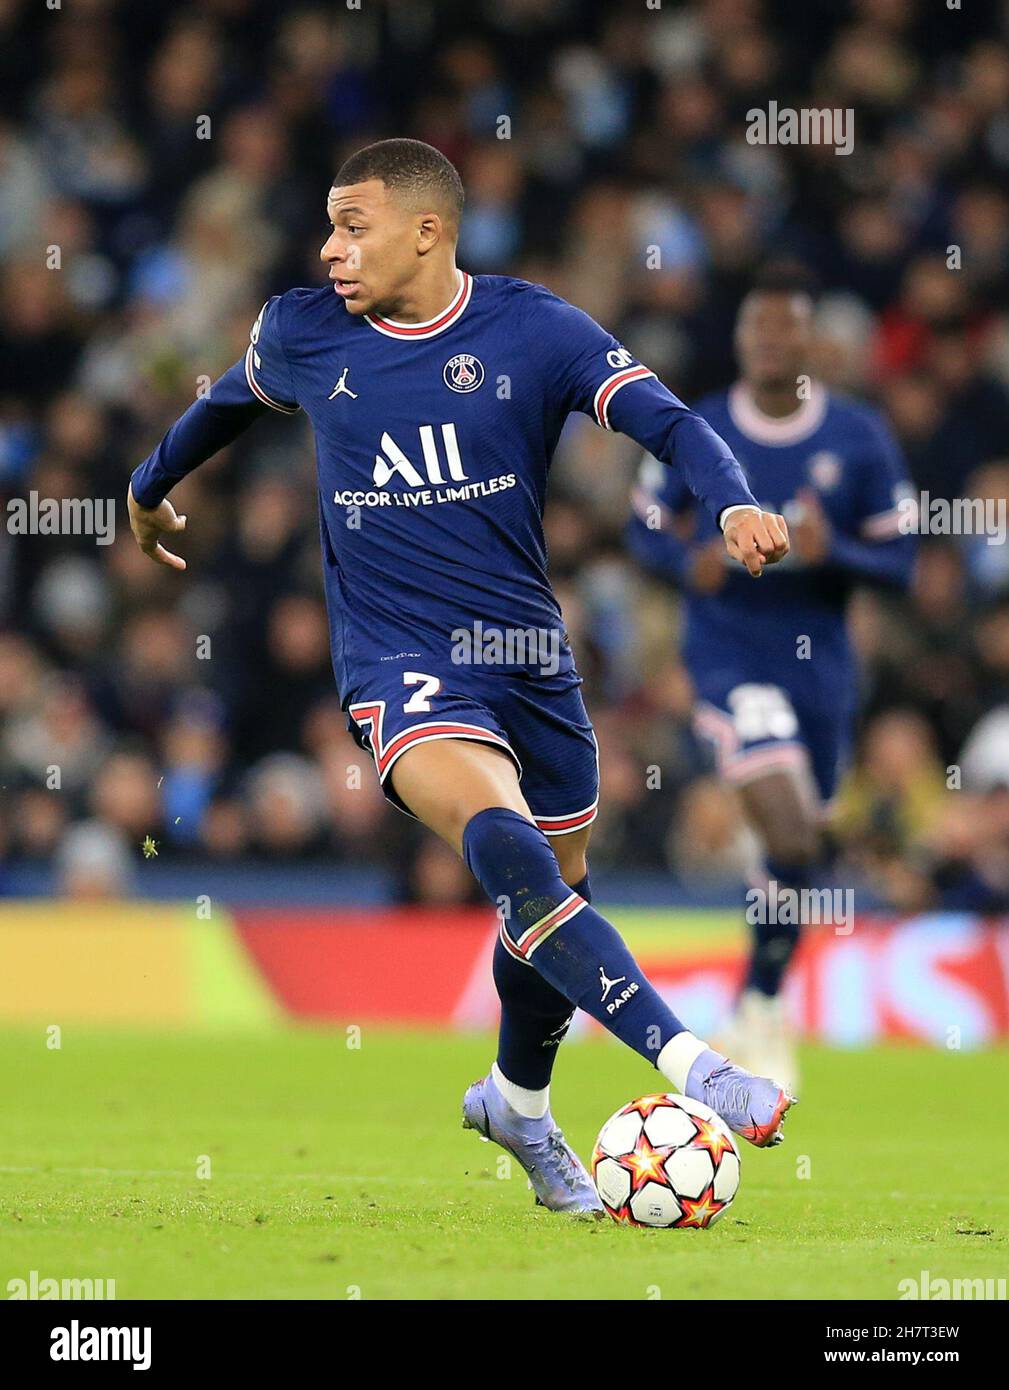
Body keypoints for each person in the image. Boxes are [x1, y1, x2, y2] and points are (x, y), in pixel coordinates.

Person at [129, 139, 792, 1217]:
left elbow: (663, 417)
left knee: (550, 897)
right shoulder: (301, 330)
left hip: (530, 664)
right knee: (502, 842)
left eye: (355, 227)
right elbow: (227, 405)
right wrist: (148, 485)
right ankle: (694, 1065)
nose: (330, 250)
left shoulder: (534, 330)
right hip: (398, 664)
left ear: (429, 230)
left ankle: (518, 1104)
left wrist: (729, 498)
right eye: (331, 226)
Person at [628, 273, 916, 1090]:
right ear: (742, 340)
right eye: (754, 331)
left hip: (821, 672)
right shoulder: (701, 427)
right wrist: (688, 564)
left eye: (783, 332)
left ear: (808, 345)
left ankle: (757, 1004)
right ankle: (760, 1006)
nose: (766, 345)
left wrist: (837, 555)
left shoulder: (857, 437)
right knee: (789, 835)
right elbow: (640, 527)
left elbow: (900, 560)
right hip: (729, 661)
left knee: (799, 853)